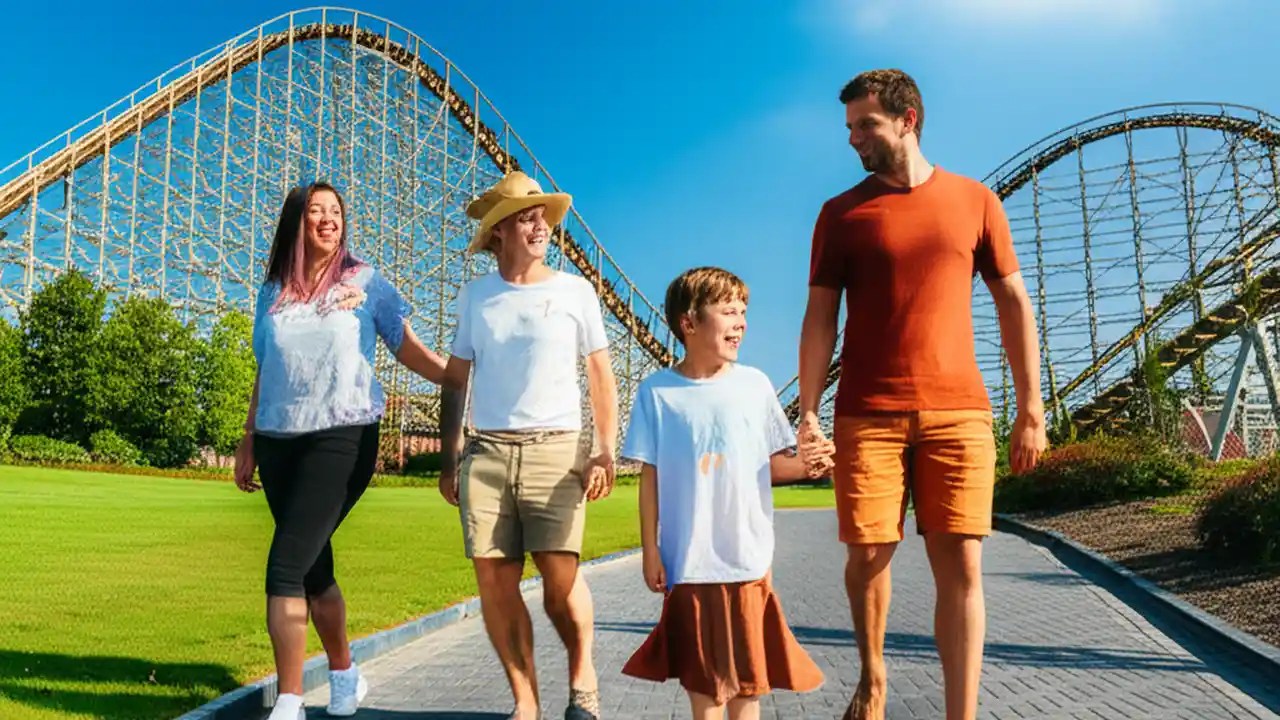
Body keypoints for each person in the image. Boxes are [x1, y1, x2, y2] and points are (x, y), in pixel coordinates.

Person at [797, 69, 1047, 720]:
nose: (853, 138)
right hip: (866, 413)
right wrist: (806, 412)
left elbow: (1014, 304)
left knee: (962, 567)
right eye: (849, 127)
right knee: (868, 555)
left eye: (865, 125)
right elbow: (820, 317)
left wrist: (1031, 408)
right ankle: (873, 679)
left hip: (961, 412)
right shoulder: (839, 214)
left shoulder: (975, 202)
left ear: (909, 119)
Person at [233, 181, 449, 720]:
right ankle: (346, 673)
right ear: (295, 222)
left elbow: (407, 347)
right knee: (313, 570)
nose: (329, 219)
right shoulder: (273, 290)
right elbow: (267, 367)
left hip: (343, 434)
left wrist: (460, 371)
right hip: (279, 437)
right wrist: (248, 437)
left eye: (336, 211)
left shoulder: (365, 281)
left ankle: (288, 700)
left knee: (284, 565)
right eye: (316, 211)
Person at [437, 171, 618, 720]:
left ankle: (582, 674)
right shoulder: (476, 297)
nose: (539, 225)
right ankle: (525, 700)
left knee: (560, 579)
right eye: (525, 217)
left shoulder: (574, 291)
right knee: (494, 582)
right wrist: (450, 457)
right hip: (487, 454)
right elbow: (456, 379)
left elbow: (600, 375)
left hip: (556, 449)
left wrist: (604, 448)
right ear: (498, 233)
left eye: (541, 216)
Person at [619, 266, 833, 720]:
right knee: (706, 690)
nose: (741, 323)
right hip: (690, 562)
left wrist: (809, 465)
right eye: (728, 312)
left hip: (749, 560)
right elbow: (650, 476)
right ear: (689, 322)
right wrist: (649, 550)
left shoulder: (754, 386)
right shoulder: (657, 393)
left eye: (744, 313)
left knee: (746, 689)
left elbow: (771, 464)